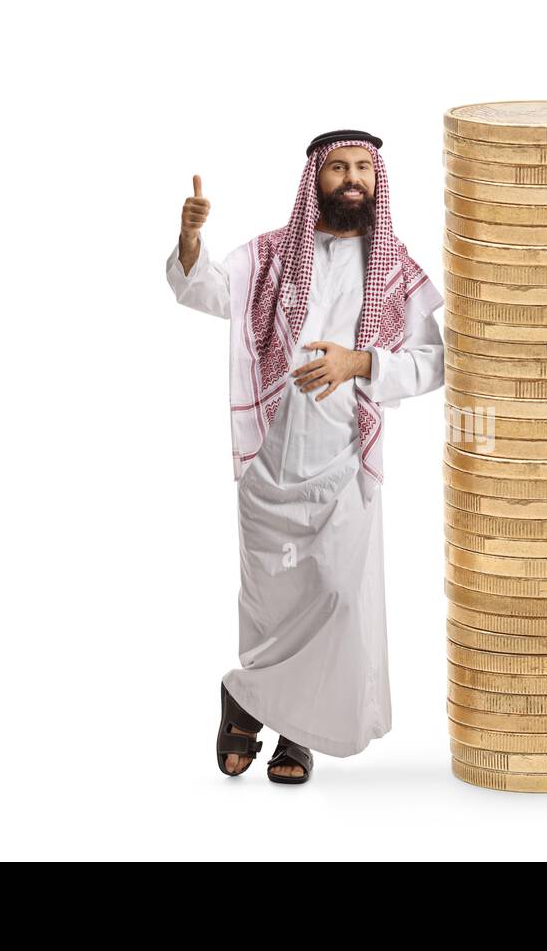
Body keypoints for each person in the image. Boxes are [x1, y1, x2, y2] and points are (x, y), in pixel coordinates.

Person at [164, 129, 444, 785]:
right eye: (339, 167)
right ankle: (261, 712)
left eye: (363, 169)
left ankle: (287, 717)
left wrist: (361, 362)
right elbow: (204, 292)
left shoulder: (397, 271)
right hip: (271, 459)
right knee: (272, 600)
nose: (352, 179)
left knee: (337, 595)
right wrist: (189, 241)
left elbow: (437, 361)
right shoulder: (269, 255)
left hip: (346, 462)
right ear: (315, 176)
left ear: (377, 181)